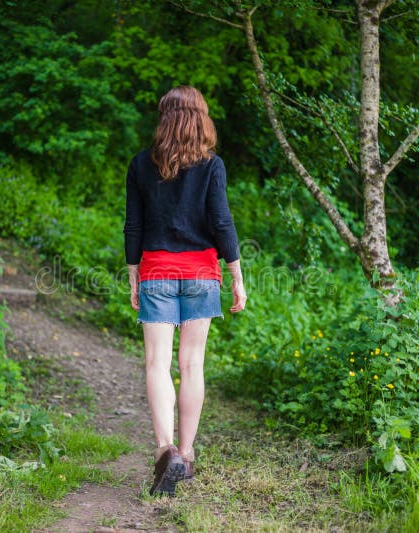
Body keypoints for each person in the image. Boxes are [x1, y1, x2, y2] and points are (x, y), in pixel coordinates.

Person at [124, 85, 247, 496]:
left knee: (157, 364)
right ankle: (187, 455)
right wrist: (236, 275)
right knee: (191, 363)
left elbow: (134, 227)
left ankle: (165, 450)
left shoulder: (142, 164)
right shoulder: (213, 166)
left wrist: (133, 277)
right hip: (200, 274)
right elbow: (222, 222)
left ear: (164, 118)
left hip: (156, 271)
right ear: (202, 118)